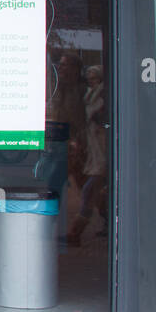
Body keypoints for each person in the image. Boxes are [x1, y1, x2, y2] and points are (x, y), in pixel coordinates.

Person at [68, 64, 108, 245]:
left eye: (95, 79)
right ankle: (107, 223)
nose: (92, 83)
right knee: (98, 193)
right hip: (94, 152)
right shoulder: (89, 97)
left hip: (102, 153)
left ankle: (75, 232)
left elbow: (104, 123)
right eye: (90, 79)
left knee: (89, 192)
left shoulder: (102, 98)